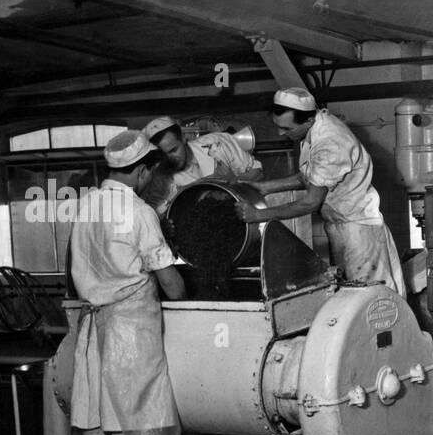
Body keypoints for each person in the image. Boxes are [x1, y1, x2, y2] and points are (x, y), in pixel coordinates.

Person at [69, 130, 186, 435]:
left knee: (98, 426)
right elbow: (171, 283)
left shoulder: (84, 206)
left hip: (94, 326)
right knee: (142, 426)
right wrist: (184, 290)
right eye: (150, 172)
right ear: (140, 170)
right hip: (131, 330)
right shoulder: (139, 212)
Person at [243, 87, 406, 295]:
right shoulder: (313, 131)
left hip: (359, 231)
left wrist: (258, 215)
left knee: (368, 300)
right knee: (346, 295)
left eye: (286, 128)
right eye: (278, 126)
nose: (280, 133)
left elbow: (310, 202)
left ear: (308, 120)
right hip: (340, 226)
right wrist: (265, 187)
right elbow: (309, 177)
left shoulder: (331, 143)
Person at [142, 115, 262, 213]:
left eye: (174, 150)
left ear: (184, 138)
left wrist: (232, 181)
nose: (170, 158)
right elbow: (159, 216)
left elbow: (257, 173)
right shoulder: (159, 181)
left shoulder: (217, 144)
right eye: (163, 155)